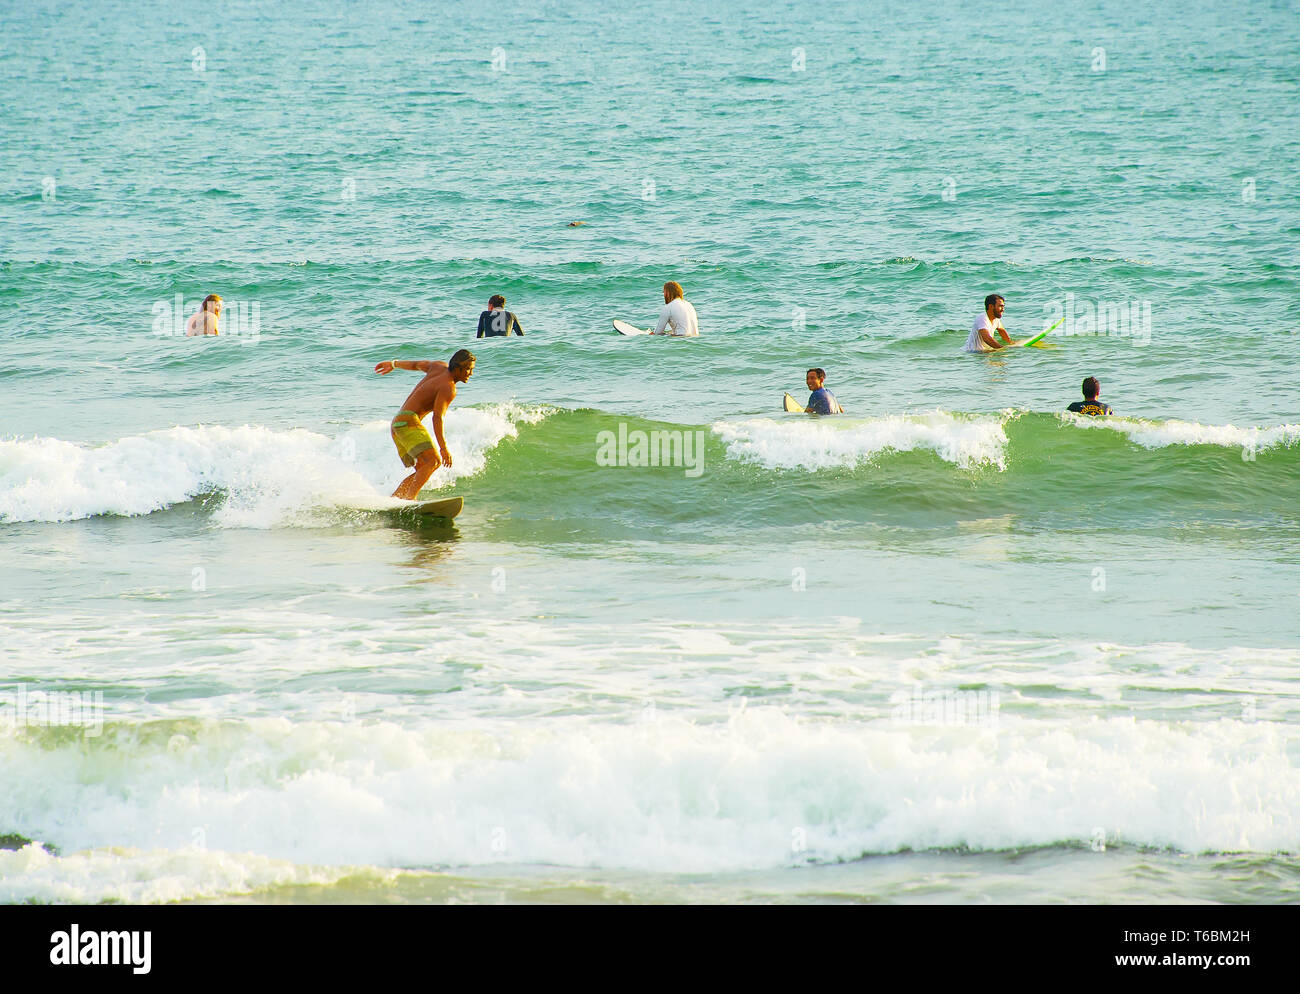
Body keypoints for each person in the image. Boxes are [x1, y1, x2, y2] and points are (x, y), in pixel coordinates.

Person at [374, 348, 476, 500]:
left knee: (422, 468)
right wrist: (443, 448)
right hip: (409, 422)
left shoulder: (438, 366)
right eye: (468, 369)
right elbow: (437, 418)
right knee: (434, 461)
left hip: (397, 423)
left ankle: (395, 500)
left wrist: (393, 364)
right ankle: (409, 501)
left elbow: (416, 364)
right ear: (457, 368)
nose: (471, 373)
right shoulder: (449, 387)